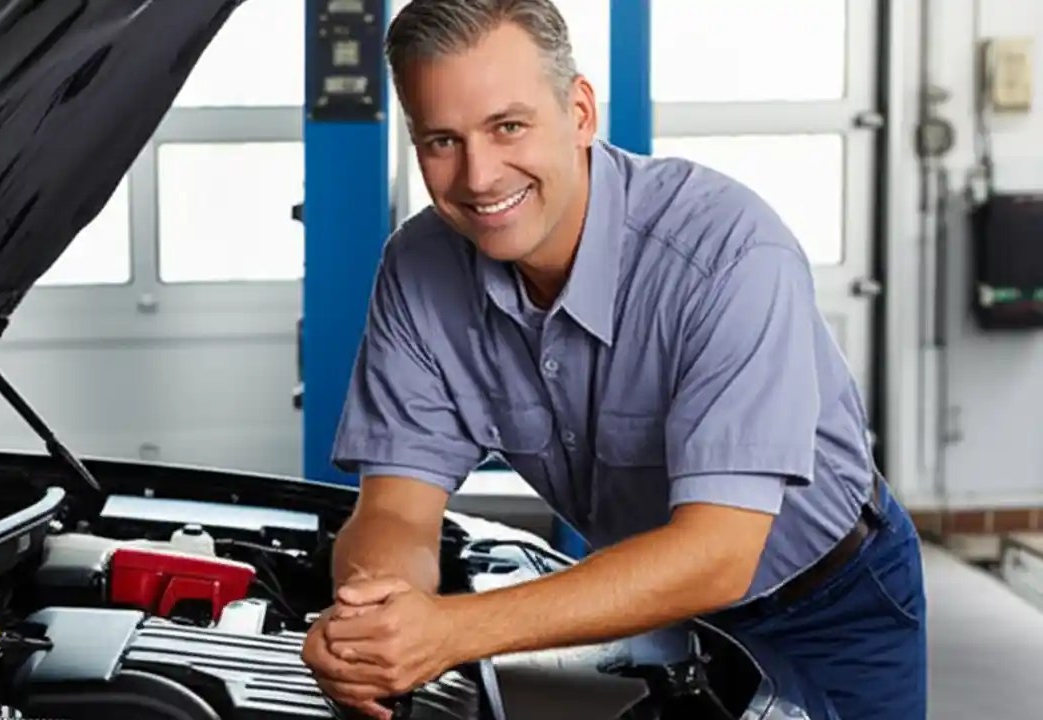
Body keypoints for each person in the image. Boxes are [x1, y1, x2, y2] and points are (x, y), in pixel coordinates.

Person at [299, 1, 927, 718]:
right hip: (644, 608)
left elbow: (719, 552)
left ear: (580, 112)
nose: (478, 175)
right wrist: (373, 618)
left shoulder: (726, 255)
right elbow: (397, 512)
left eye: (509, 126)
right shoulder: (418, 269)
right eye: (442, 140)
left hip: (830, 603)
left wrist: (450, 632)